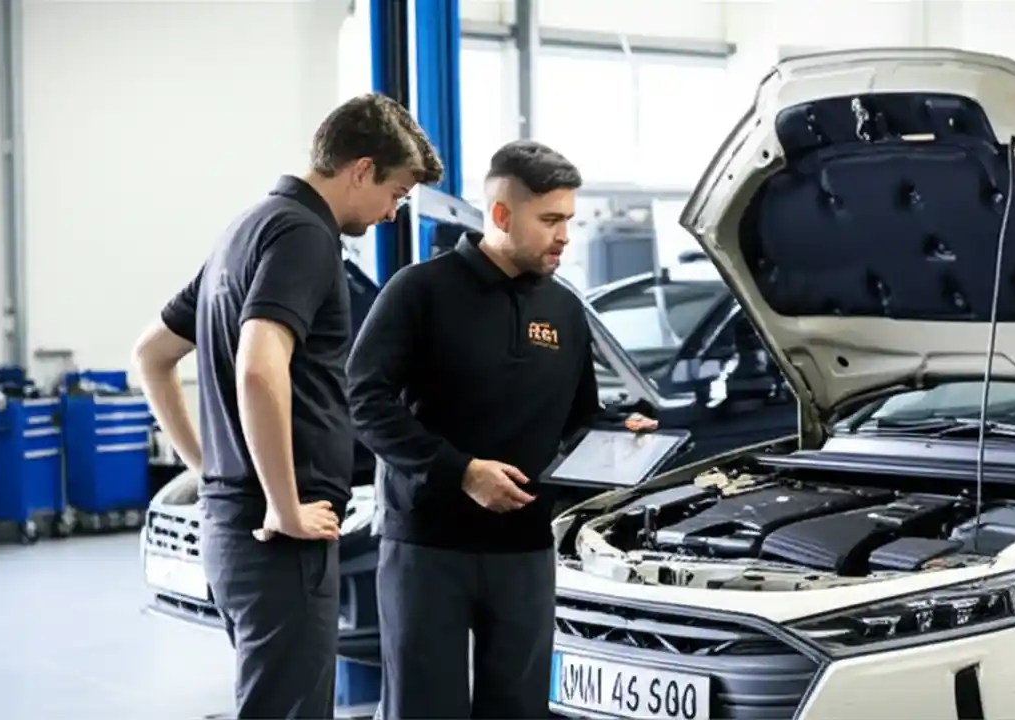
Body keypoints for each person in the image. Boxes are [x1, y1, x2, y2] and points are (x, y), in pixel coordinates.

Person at [130, 92, 442, 719]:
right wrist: (284, 503)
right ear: (361, 170)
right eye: (396, 194)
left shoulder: (246, 228)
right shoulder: (305, 236)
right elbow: (258, 367)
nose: (391, 213)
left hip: (232, 528)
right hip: (278, 540)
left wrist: (209, 468)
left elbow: (151, 354)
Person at [347, 139, 657, 719]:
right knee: (423, 709)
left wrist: (622, 431)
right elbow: (363, 401)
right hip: (428, 547)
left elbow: (579, 418)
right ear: (501, 214)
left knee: (519, 709)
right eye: (550, 220)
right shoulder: (419, 291)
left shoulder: (565, 310)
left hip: (525, 550)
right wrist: (461, 473)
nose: (564, 236)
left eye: (569, 220)